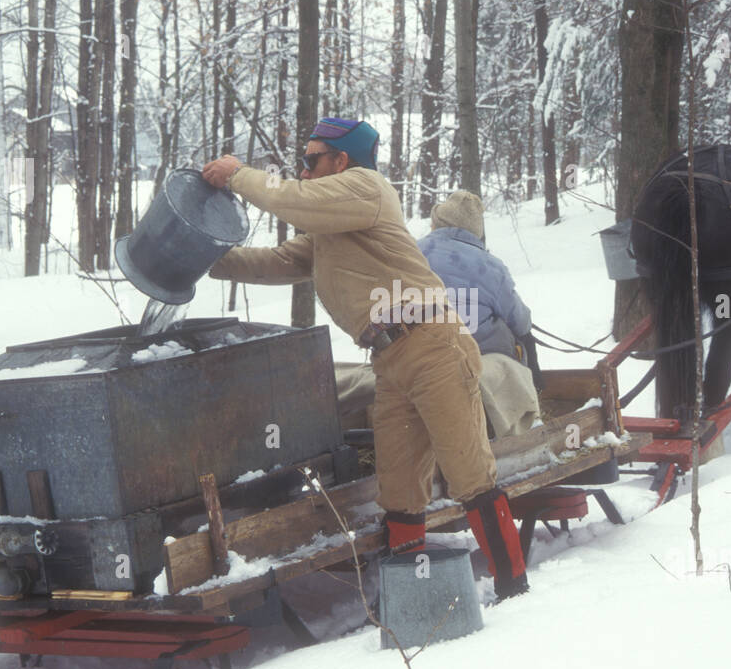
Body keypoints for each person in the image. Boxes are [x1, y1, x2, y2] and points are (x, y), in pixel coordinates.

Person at [201, 118, 529, 600]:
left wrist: (237, 174)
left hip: (432, 344)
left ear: (341, 160)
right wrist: (206, 258)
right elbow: (278, 261)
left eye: (312, 159)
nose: (305, 170)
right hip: (390, 356)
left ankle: (513, 589)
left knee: (468, 473)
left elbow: (290, 198)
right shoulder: (333, 226)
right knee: (399, 487)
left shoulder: (367, 187)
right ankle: (413, 594)